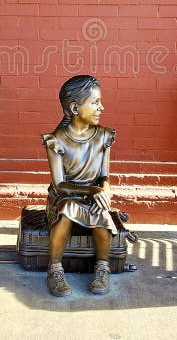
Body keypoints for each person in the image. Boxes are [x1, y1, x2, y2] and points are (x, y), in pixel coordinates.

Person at [42, 75, 116, 297]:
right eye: (95, 102)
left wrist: (104, 190)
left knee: (102, 213)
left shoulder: (104, 136)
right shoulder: (57, 140)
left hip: (93, 196)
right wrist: (92, 191)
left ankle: (103, 267)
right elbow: (59, 184)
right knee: (66, 210)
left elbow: (104, 175)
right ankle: (54, 269)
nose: (101, 107)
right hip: (63, 197)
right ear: (75, 107)